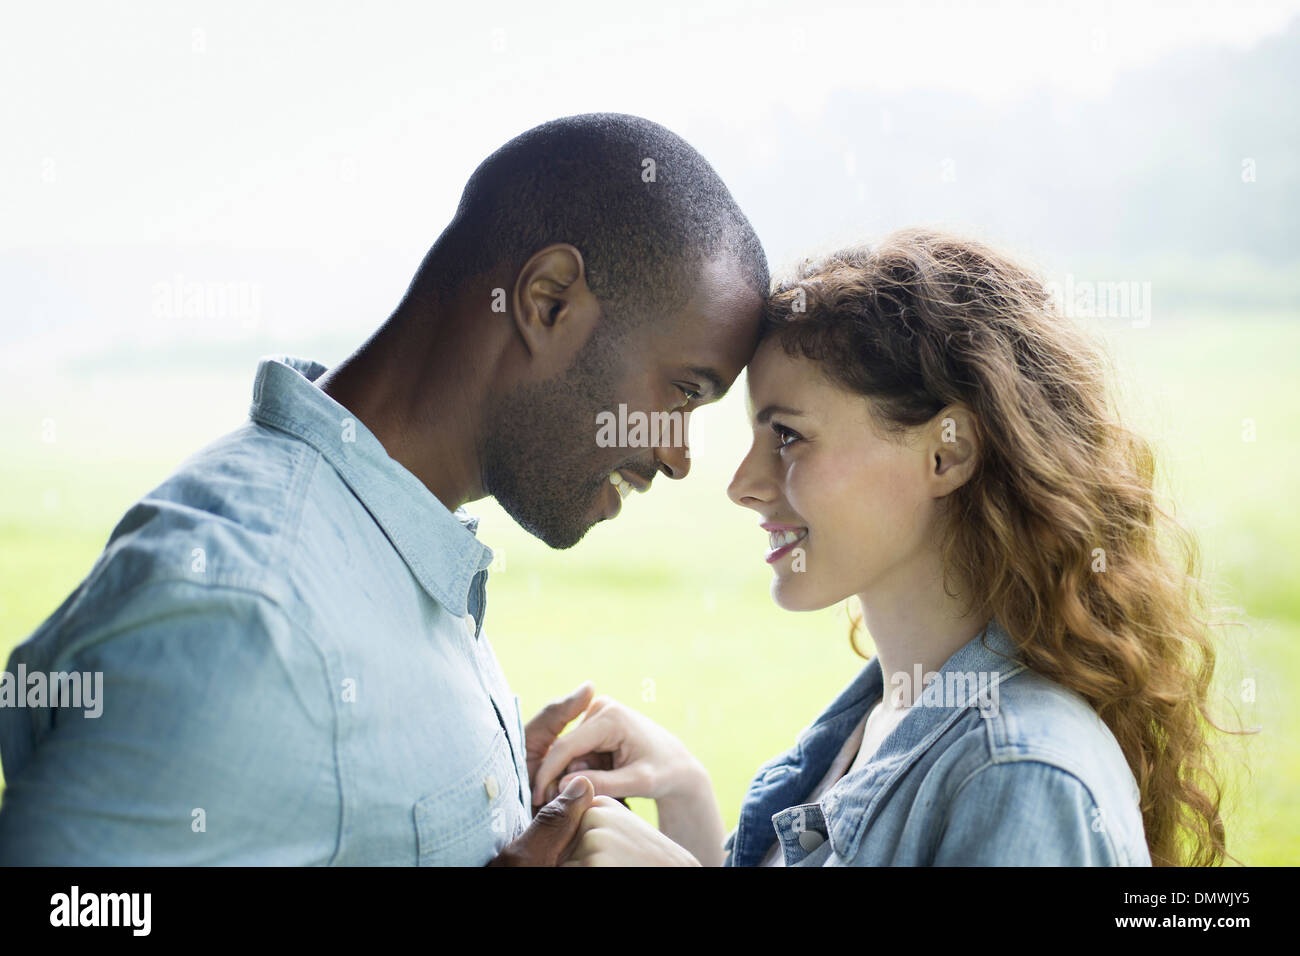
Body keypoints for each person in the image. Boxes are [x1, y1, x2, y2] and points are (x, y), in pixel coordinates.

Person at [0, 113, 768, 865]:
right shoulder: (250, 620)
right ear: (548, 302)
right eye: (681, 393)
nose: (678, 458)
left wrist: (494, 795)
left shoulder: (387, 531)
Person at [533, 229, 1233, 867]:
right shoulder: (876, 724)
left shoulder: (1020, 774)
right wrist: (685, 802)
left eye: (787, 436)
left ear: (946, 455)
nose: (743, 486)